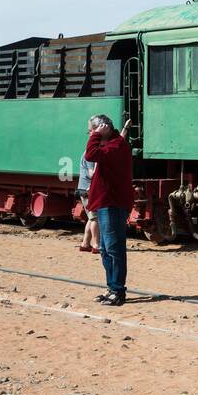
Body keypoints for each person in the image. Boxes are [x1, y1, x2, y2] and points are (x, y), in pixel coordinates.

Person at [85, 114, 134, 306]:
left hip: (113, 203)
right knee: (105, 249)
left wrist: (95, 136)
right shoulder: (111, 145)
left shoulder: (116, 145)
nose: (89, 134)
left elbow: (90, 154)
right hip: (105, 202)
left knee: (114, 248)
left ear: (103, 128)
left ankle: (118, 290)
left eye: (92, 130)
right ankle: (111, 287)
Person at [77, 140, 99, 254]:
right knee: (95, 218)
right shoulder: (90, 154)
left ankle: (85, 244)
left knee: (92, 218)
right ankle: (96, 245)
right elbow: (92, 173)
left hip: (84, 189)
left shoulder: (88, 152)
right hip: (88, 189)